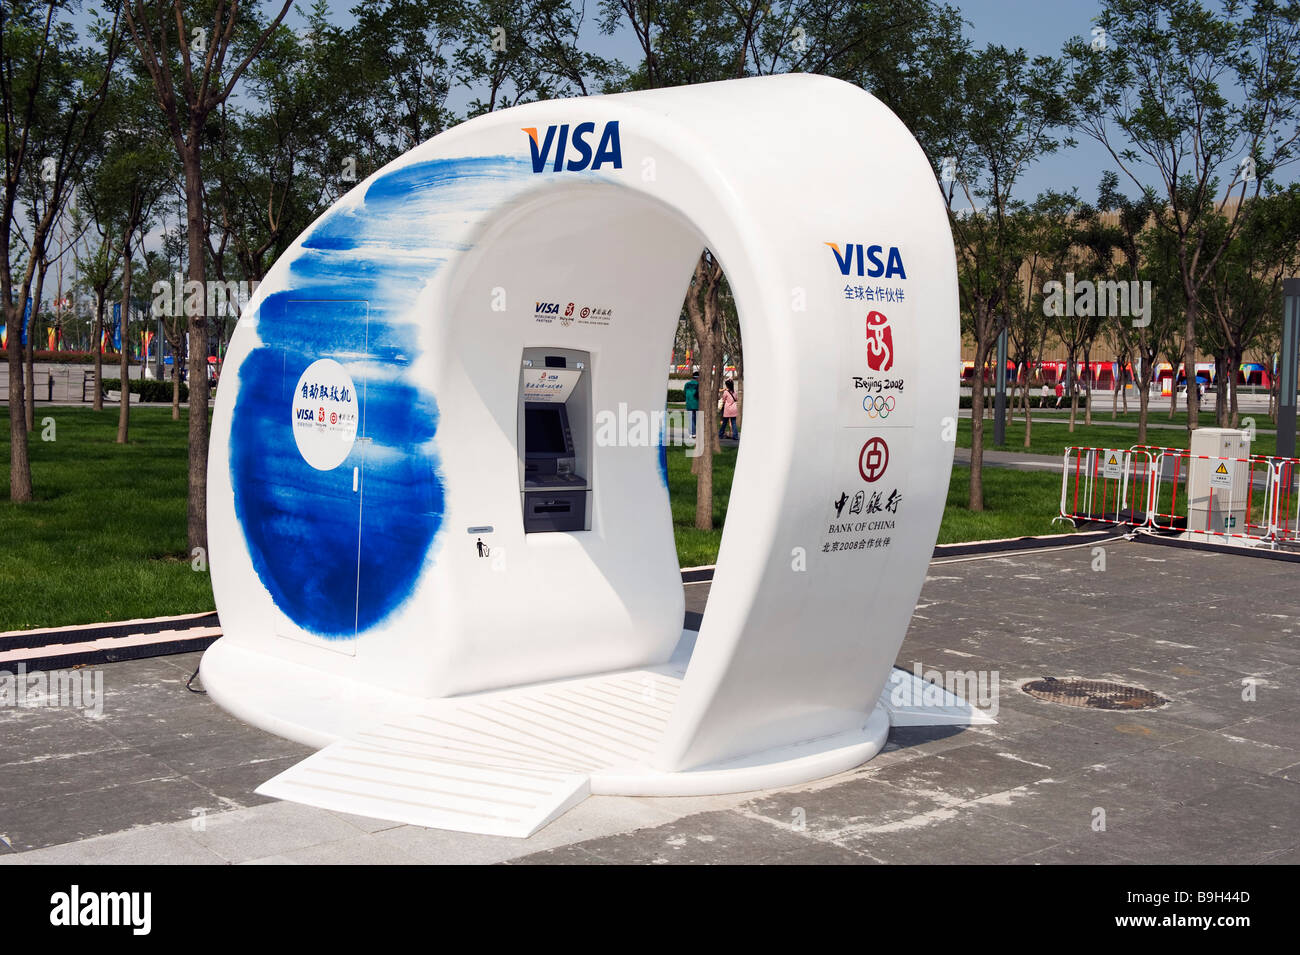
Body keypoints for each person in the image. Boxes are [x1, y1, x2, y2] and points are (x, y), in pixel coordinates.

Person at [683, 371, 699, 439]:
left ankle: (692, 433)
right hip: (696, 403)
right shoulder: (698, 384)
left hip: (689, 403)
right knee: (696, 418)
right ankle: (696, 432)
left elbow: (684, 392)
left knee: (690, 419)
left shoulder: (687, 384)